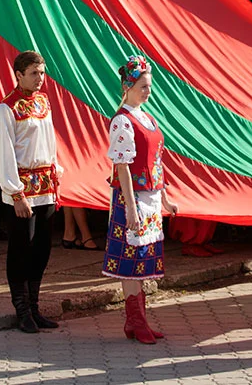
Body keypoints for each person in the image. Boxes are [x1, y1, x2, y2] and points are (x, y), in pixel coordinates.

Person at [101, 55, 179, 344]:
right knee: (132, 261)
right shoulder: (123, 121)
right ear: (128, 86)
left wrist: (165, 199)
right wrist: (131, 208)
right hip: (131, 198)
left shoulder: (147, 117)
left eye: (149, 86)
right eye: (143, 86)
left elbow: (156, 162)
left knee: (143, 261)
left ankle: (139, 320)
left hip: (150, 197)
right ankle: (134, 320)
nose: (148, 91)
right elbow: (122, 167)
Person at [0, 50, 61, 333]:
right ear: (18, 75)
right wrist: (16, 193)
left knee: (42, 247)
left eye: (42, 73)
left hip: (45, 186)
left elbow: (50, 142)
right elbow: (2, 154)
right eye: (34, 73)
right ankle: (21, 309)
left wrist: (57, 174)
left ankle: (34, 306)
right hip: (22, 188)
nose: (39, 79)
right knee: (21, 247)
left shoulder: (43, 102)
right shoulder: (6, 109)